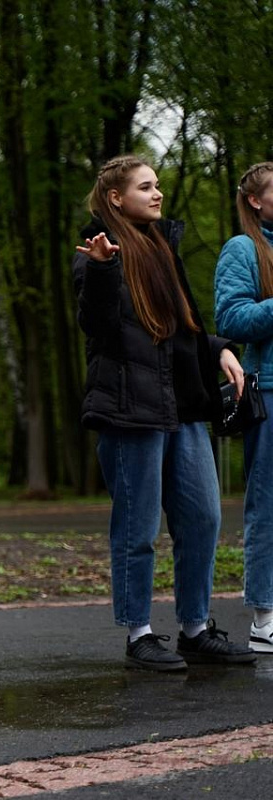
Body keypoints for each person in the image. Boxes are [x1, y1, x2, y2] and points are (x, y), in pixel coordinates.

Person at [73, 155, 255, 671]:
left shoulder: (161, 246)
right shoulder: (94, 253)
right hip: (130, 409)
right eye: (146, 186)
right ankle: (139, 635)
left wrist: (218, 347)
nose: (158, 194)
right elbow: (99, 329)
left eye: (158, 185)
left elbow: (184, 323)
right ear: (115, 197)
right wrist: (105, 271)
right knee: (138, 527)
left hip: (182, 405)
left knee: (202, 516)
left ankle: (196, 629)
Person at [214, 160, 273, 654]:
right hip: (269, 390)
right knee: (268, 505)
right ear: (255, 200)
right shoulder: (244, 248)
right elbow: (231, 317)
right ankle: (264, 618)